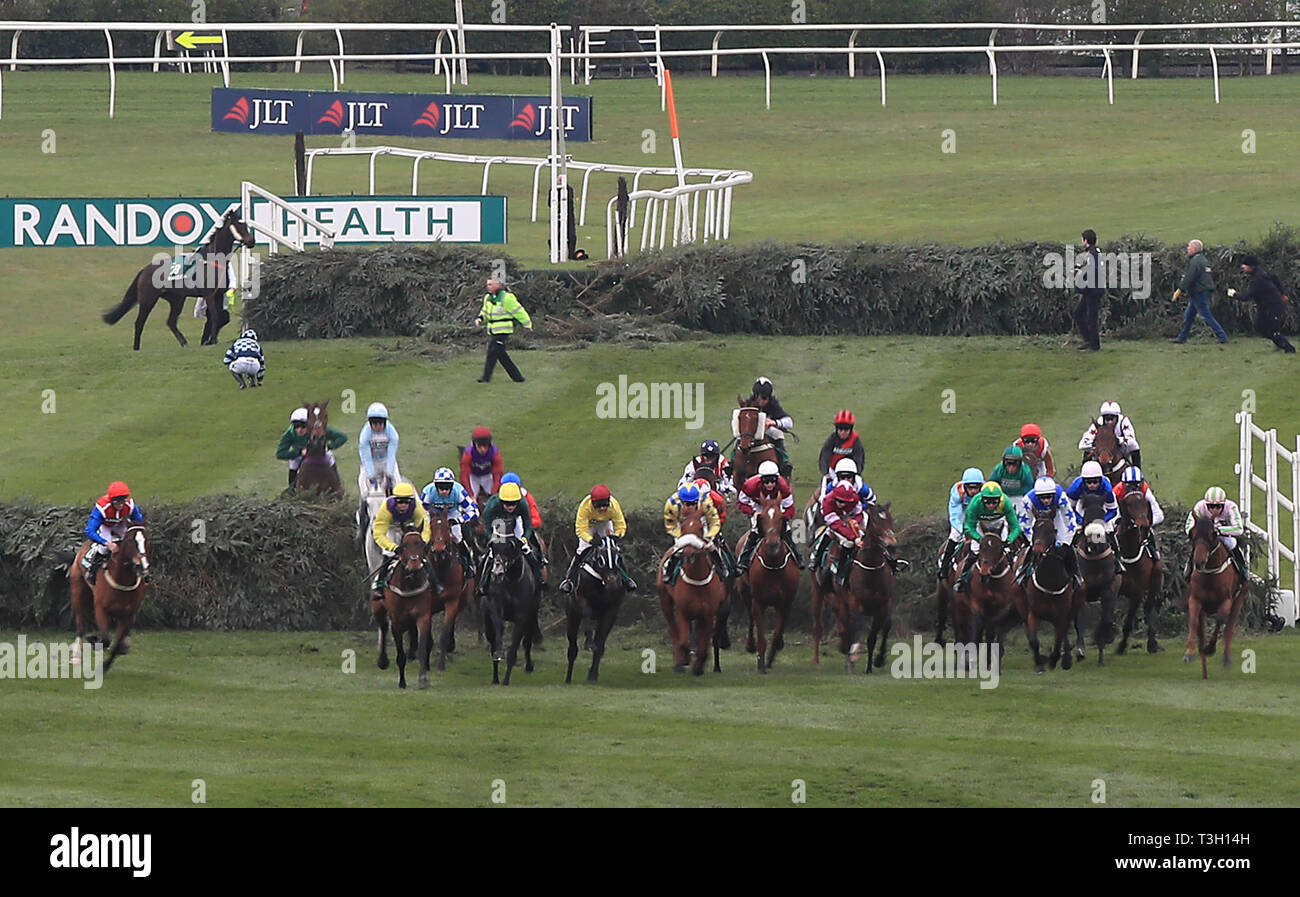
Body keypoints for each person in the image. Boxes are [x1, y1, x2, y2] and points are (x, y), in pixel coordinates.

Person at [560, 484, 636, 593]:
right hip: (588, 527)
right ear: (593, 503)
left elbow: (621, 525)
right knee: (581, 551)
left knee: (614, 550)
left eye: (604, 505)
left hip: (605, 524)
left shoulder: (614, 506)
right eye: (598, 506)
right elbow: (580, 529)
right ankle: (570, 581)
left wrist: (617, 536)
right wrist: (590, 540)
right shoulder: (585, 507)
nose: (602, 508)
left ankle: (626, 579)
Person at [369, 482, 434, 602]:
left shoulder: (417, 506)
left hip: (409, 530)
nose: (403, 505)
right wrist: (393, 547)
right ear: (395, 500)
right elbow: (378, 533)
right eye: (400, 501)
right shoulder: (386, 508)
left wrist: (423, 541)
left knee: (419, 553)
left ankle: (435, 583)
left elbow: (425, 524)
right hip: (392, 529)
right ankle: (379, 584)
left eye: (406, 502)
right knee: (388, 555)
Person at [735, 460, 804, 571]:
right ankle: (744, 559)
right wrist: (753, 513)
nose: (770, 485)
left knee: (787, 530)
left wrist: (784, 517)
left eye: (773, 481)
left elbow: (790, 507)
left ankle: (797, 556)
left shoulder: (783, 487)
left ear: (777, 479)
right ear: (760, 480)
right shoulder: (750, 486)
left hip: (777, 508)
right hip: (759, 508)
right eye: (766, 482)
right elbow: (741, 503)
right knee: (755, 530)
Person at [478, 482, 546, 594]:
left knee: (527, 550)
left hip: (516, 521)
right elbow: (487, 527)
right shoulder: (492, 506)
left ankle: (539, 579)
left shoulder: (523, 504)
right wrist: (492, 539)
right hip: (499, 522)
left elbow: (528, 526)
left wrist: (524, 539)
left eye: (514, 503)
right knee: (490, 554)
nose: (510, 506)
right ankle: (483, 584)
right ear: (501, 501)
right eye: (507, 503)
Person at [954, 482, 1022, 593]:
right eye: (987, 502)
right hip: (980, 524)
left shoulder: (1006, 502)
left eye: (994, 502)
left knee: (1008, 552)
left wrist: (1009, 540)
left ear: (999, 500)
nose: (990, 505)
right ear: (982, 499)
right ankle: (962, 580)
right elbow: (969, 527)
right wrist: (980, 539)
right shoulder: (975, 503)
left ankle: (1017, 579)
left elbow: (1015, 527)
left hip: (999, 522)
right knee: (974, 551)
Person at [1020, 476, 1082, 586]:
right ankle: (1024, 573)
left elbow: (1070, 521)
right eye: (1042, 498)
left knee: (1068, 548)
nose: (1046, 500)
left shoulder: (1061, 496)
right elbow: (1025, 525)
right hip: (1038, 519)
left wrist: (1065, 542)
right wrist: (1034, 541)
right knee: (1033, 548)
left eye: (1049, 497)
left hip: (1057, 518)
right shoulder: (1028, 500)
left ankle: (1075, 574)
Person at [81, 481, 145, 585]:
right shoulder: (102, 508)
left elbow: (139, 521)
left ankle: (143, 569)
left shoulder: (130, 505)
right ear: (111, 501)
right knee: (103, 549)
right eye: (117, 502)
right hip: (106, 526)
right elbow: (89, 531)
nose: (120, 505)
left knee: (133, 543)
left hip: (121, 524)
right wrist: (107, 543)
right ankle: (92, 570)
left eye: (122, 502)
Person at [661, 483, 727, 584]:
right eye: (687, 504)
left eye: (694, 503)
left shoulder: (705, 501)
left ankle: (722, 567)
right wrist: (685, 538)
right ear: (681, 502)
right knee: (678, 549)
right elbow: (671, 526)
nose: (691, 507)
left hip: (701, 522)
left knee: (710, 546)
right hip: (681, 525)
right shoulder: (672, 504)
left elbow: (714, 522)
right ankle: (669, 571)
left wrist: (709, 536)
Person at [1229, 254, 1296, 353]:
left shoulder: (1258, 279)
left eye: (1245, 265)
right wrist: (1281, 293)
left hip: (1273, 306)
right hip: (1265, 306)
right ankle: (1280, 344)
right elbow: (1276, 280)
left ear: (1251, 266)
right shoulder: (1261, 273)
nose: (1242, 267)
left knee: (1272, 330)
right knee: (1259, 326)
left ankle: (1289, 348)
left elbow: (1248, 296)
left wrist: (1234, 294)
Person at [1066, 460, 1121, 576]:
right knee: (1071, 534)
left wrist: (1101, 521)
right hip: (1082, 508)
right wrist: (1081, 521)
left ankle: (1118, 561)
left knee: (1110, 532)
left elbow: (1113, 510)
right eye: (1088, 482)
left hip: (1101, 509)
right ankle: (1069, 564)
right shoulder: (1075, 487)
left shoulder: (1107, 488)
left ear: (1100, 480)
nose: (1092, 485)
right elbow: (1069, 509)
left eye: (1095, 482)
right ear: (1083, 481)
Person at [1183, 486, 1250, 581]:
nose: (1214, 510)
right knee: (1198, 545)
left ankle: (1242, 568)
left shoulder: (1231, 507)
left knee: (1231, 543)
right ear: (1206, 505)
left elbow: (1239, 529)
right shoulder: (1199, 506)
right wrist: (1197, 534)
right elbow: (1188, 525)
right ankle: (1189, 568)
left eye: (1218, 506)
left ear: (1223, 505)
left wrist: (1219, 530)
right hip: (1205, 536)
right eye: (1210, 506)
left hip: (1223, 536)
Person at [420, 466, 480, 571]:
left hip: (452, 514)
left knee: (458, 537)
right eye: (441, 487)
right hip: (434, 515)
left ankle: (468, 564)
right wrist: (430, 522)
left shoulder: (459, 491)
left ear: (452, 486)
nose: (444, 491)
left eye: (447, 487)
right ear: (435, 486)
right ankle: (422, 563)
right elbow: (422, 512)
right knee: (427, 538)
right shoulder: (428, 492)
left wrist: (459, 520)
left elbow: (474, 511)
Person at [1171, 239, 1228, 344]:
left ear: (1194, 248)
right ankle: (1182, 338)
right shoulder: (1202, 260)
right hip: (1201, 291)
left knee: (1206, 315)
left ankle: (1222, 337)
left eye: (1189, 246)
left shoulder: (1195, 262)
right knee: (1189, 316)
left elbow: (1189, 277)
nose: (1187, 248)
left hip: (1199, 292)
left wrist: (1180, 289)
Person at [476, 277, 532, 383]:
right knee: (502, 355)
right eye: (488, 284)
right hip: (493, 330)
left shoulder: (506, 298)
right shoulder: (488, 298)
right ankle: (518, 378)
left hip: (503, 331)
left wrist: (527, 324)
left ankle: (486, 377)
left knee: (493, 352)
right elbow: (484, 311)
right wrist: (480, 318)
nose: (488, 287)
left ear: (498, 285)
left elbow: (519, 311)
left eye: (490, 284)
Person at [276, 406, 346, 490]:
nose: (299, 430)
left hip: (320, 453)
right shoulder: (289, 434)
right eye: (296, 426)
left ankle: (337, 485)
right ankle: (292, 489)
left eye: (303, 426)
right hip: (301, 455)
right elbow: (280, 453)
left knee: (329, 456)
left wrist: (330, 446)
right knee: (293, 462)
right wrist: (299, 452)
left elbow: (342, 437)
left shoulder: (318, 430)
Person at [738, 376, 794, 477]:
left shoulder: (773, 404)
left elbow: (789, 422)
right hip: (751, 431)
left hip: (767, 431)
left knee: (777, 434)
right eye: (757, 397)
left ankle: (784, 462)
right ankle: (732, 462)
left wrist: (775, 422)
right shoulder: (749, 403)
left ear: (769, 397)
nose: (760, 401)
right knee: (741, 436)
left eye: (764, 398)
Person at [938, 467, 985, 581]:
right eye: (970, 488)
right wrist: (963, 530)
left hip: (979, 512)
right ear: (964, 486)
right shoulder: (957, 492)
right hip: (962, 511)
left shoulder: (986, 492)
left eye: (976, 488)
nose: (973, 491)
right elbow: (955, 516)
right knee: (955, 534)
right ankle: (944, 567)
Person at [1112, 466, 1164, 564]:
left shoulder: (1145, 490)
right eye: (1129, 485)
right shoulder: (1116, 491)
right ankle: (1115, 556)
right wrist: (1118, 523)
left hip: (1141, 520)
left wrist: (1147, 522)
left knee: (1149, 532)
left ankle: (1154, 552)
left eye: (1136, 485)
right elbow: (1112, 512)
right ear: (1123, 484)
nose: (1133, 489)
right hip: (1122, 518)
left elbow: (1159, 514)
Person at [1079, 400, 1142, 469]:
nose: (1110, 421)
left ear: (1117, 417)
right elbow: (1082, 444)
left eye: (1112, 418)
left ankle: (1137, 470)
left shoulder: (1124, 421)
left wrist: (1117, 440)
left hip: (1121, 449)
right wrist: (1097, 444)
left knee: (1134, 445)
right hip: (1101, 450)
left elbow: (1131, 440)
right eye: (1107, 419)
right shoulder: (1099, 422)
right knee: (1087, 451)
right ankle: (1084, 471)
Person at [990, 445, 1036, 534]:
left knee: (1025, 523)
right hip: (1003, 497)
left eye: (1014, 465)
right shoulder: (999, 469)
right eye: (1008, 464)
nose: (1011, 468)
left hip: (1020, 498)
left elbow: (1029, 492)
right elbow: (992, 485)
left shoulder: (1025, 472)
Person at [358, 402, 401, 495]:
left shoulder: (392, 433)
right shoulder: (364, 436)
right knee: (363, 484)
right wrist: (371, 476)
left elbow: (391, 454)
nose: (377, 427)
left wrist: (389, 475)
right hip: (372, 461)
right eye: (374, 424)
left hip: (386, 460)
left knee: (398, 483)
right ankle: (363, 508)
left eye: (380, 423)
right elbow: (366, 457)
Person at [1074, 228, 1104, 351]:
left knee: (1091, 318)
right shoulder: (1094, 252)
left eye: (1082, 239)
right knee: (1079, 314)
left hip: (1093, 290)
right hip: (1091, 290)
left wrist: (1079, 272)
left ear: (1086, 241)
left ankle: (1094, 345)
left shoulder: (1092, 254)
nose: (1082, 241)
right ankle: (1088, 340)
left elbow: (1092, 270)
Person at [461, 426, 503, 505]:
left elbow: (497, 474)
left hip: (488, 475)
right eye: (479, 446)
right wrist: (471, 495)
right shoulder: (468, 453)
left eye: (485, 446)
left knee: (497, 497)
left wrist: (493, 494)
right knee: (467, 500)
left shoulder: (495, 453)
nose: (483, 449)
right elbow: (464, 475)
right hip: (473, 476)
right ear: (474, 444)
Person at [818, 409, 865, 477]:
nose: (843, 432)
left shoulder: (855, 440)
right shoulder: (832, 439)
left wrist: (857, 474)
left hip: (851, 474)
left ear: (850, 429)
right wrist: (826, 473)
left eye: (846, 429)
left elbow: (859, 459)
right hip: (833, 472)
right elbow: (824, 456)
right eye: (840, 429)